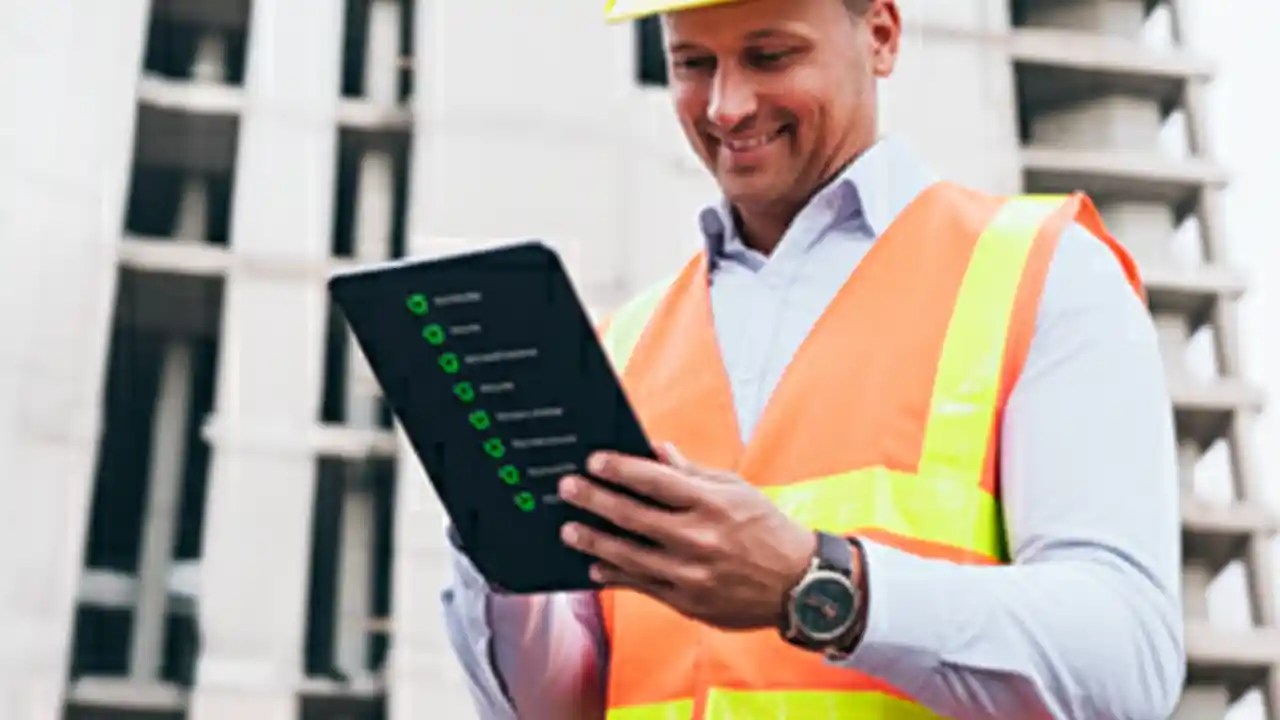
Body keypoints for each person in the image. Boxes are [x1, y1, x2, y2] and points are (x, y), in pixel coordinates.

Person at [440, 0, 1186, 717]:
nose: (726, 106)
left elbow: (1126, 663)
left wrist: (820, 585)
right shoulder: (619, 347)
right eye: (693, 63)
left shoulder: (1043, 272)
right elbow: (563, 708)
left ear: (883, 36)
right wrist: (496, 556)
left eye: (770, 56)